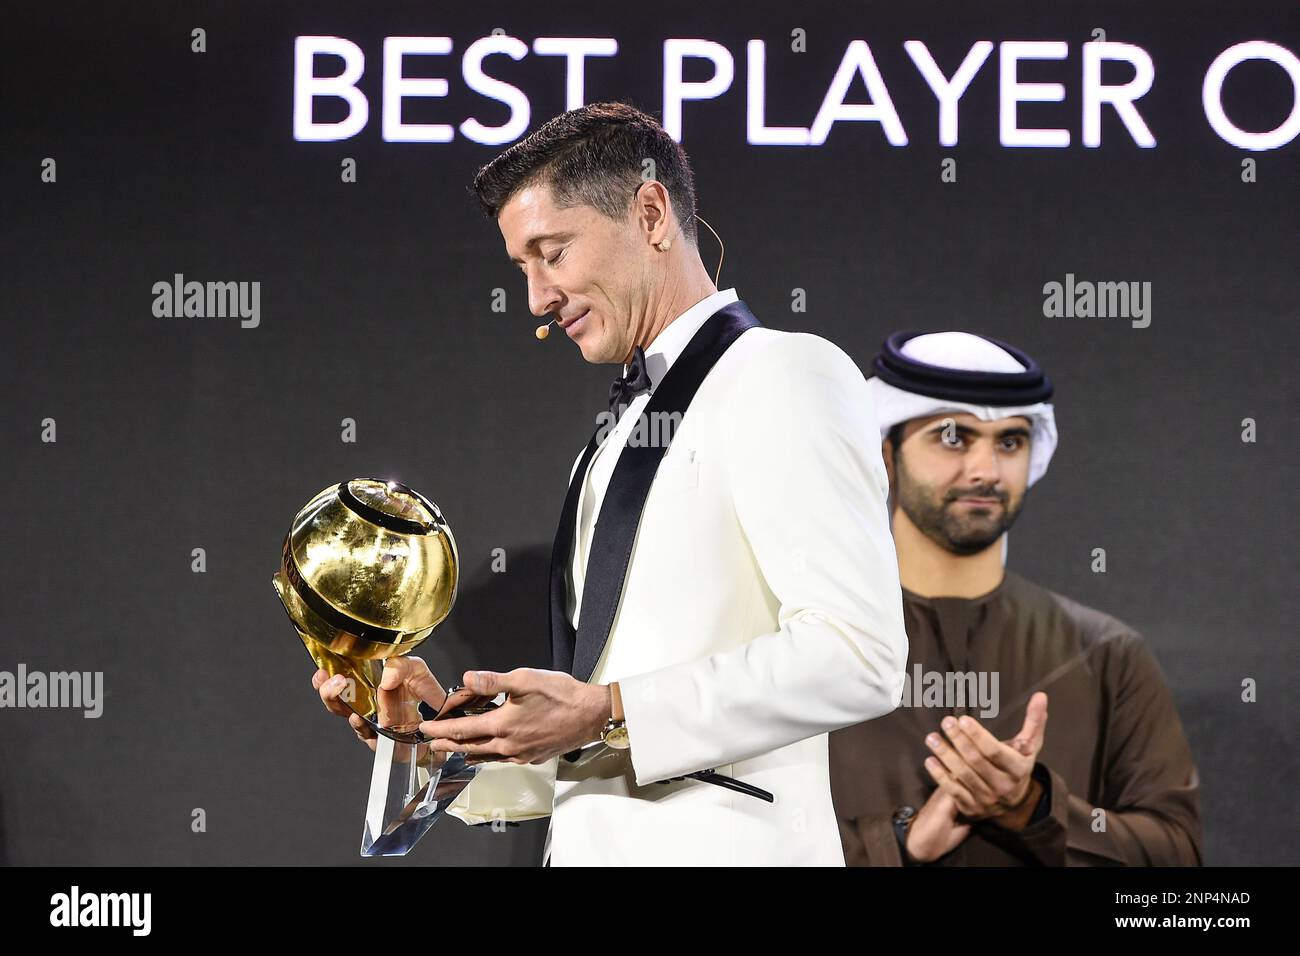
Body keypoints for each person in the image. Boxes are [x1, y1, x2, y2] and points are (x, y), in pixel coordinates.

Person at [314, 102, 908, 865]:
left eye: (552, 252)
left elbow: (858, 655)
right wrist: (436, 738)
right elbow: (594, 765)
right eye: (522, 268)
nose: (535, 298)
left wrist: (606, 711)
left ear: (652, 213)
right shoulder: (614, 436)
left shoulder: (784, 374)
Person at [829, 329, 1202, 866]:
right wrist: (900, 845)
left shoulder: (1107, 654)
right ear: (886, 454)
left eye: (1009, 441)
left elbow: (1179, 864)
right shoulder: (814, 640)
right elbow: (732, 839)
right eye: (952, 437)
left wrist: (1034, 806)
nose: (985, 470)